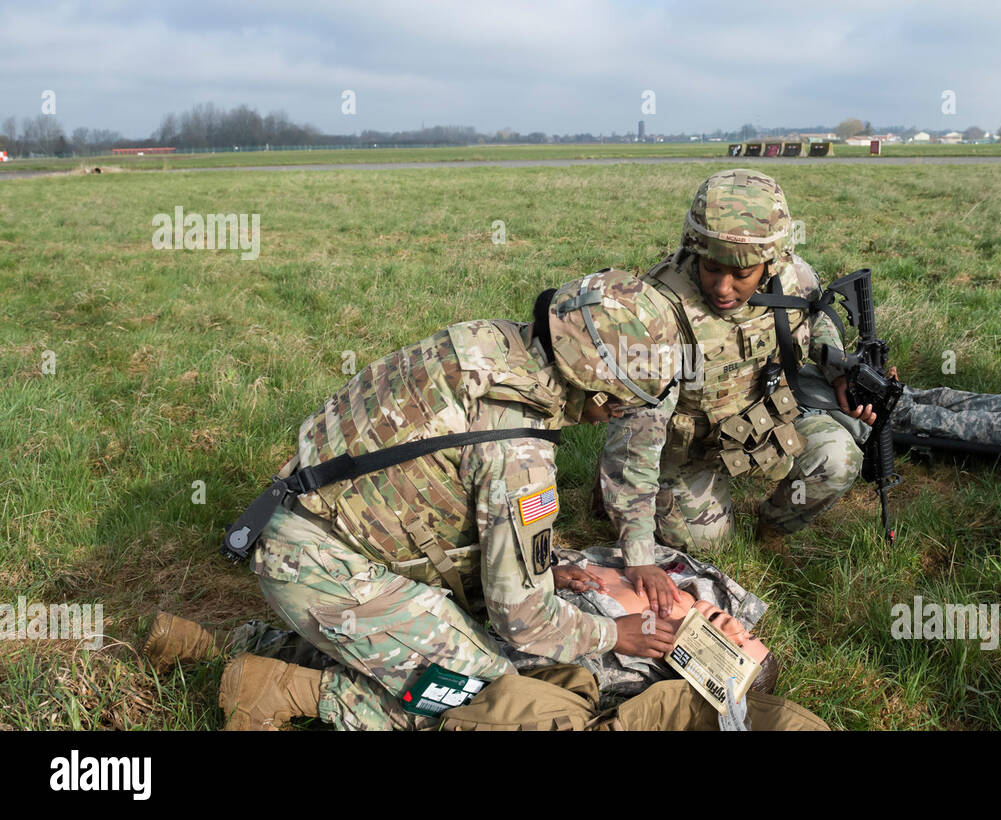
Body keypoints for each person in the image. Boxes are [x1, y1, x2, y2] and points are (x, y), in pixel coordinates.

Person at [211, 268, 684, 730]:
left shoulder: (483, 341)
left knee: (464, 646)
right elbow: (523, 619)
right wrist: (610, 634)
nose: (612, 417)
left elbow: (430, 490)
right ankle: (286, 692)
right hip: (324, 566)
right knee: (495, 697)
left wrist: (539, 573)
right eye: (620, 405)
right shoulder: (518, 451)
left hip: (300, 518)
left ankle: (231, 646)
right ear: (595, 390)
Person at [595, 169, 877, 607]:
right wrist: (637, 550)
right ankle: (615, 498)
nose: (723, 288)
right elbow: (632, 442)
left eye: (741, 273)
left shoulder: (794, 277)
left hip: (762, 424)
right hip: (685, 450)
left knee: (837, 460)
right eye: (711, 268)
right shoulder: (660, 314)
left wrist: (838, 367)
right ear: (697, 251)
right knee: (710, 550)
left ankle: (771, 528)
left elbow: (816, 316)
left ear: (772, 261)